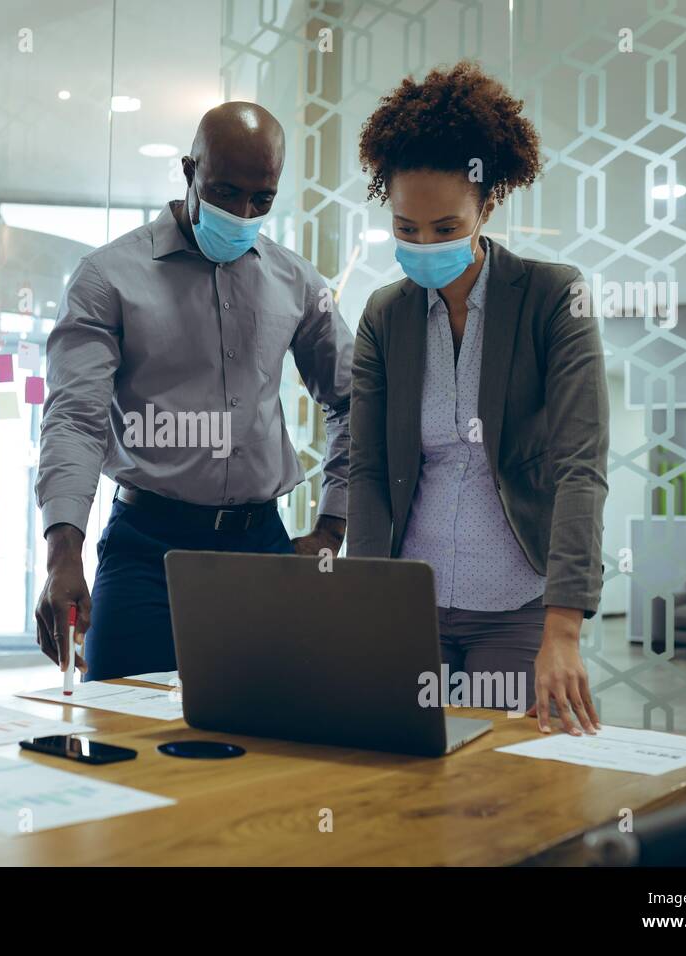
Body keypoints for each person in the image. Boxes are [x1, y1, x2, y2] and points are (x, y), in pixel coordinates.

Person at [35, 102, 354, 681]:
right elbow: (75, 421)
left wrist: (333, 525)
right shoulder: (108, 278)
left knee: (273, 745)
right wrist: (63, 557)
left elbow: (353, 403)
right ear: (189, 170)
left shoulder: (299, 284)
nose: (242, 212)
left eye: (262, 199)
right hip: (147, 551)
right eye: (225, 191)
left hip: (263, 548)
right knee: (124, 740)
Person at [348, 61, 608, 735]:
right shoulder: (384, 316)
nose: (424, 245)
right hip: (411, 608)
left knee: (502, 795)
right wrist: (368, 607)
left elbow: (580, 467)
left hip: (518, 609)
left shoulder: (553, 299)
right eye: (406, 229)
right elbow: (370, 469)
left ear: (487, 206)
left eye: (444, 228)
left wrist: (565, 628)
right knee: (394, 782)